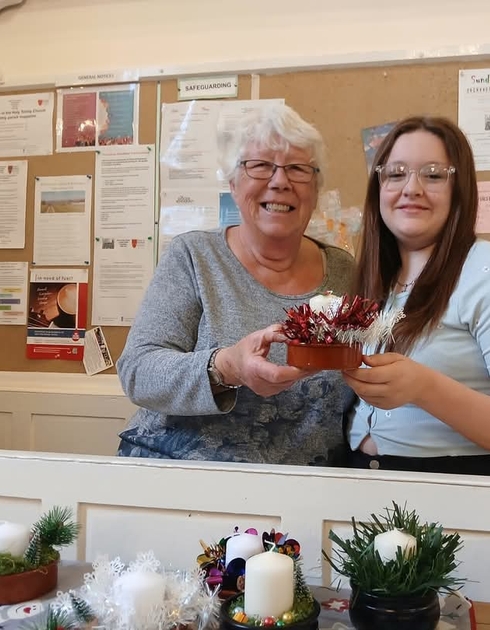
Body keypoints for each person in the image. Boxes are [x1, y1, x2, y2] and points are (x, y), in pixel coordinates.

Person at [116, 103, 355, 465]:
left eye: (297, 168)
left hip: (305, 488)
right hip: (179, 476)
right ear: (233, 183)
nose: (280, 181)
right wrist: (226, 367)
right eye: (260, 165)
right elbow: (137, 371)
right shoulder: (194, 257)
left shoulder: (345, 272)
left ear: (316, 189)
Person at [343, 116, 490, 477]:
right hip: (366, 483)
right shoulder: (377, 280)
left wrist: (424, 387)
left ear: (459, 189)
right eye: (396, 174)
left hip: (461, 491)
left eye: (433, 175)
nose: (411, 188)